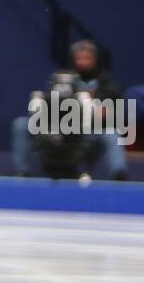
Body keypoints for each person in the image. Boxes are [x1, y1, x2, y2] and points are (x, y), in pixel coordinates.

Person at [11, 39, 128, 181]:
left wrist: (94, 109)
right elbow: (50, 102)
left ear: (95, 59)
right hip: (58, 127)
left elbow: (113, 114)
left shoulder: (107, 83)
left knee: (111, 134)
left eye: (87, 58)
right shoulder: (61, 78)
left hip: (89, 130)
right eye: (79, 58)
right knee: (21, 124)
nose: (83, 62)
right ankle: (21, 171)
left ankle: (118, 173)